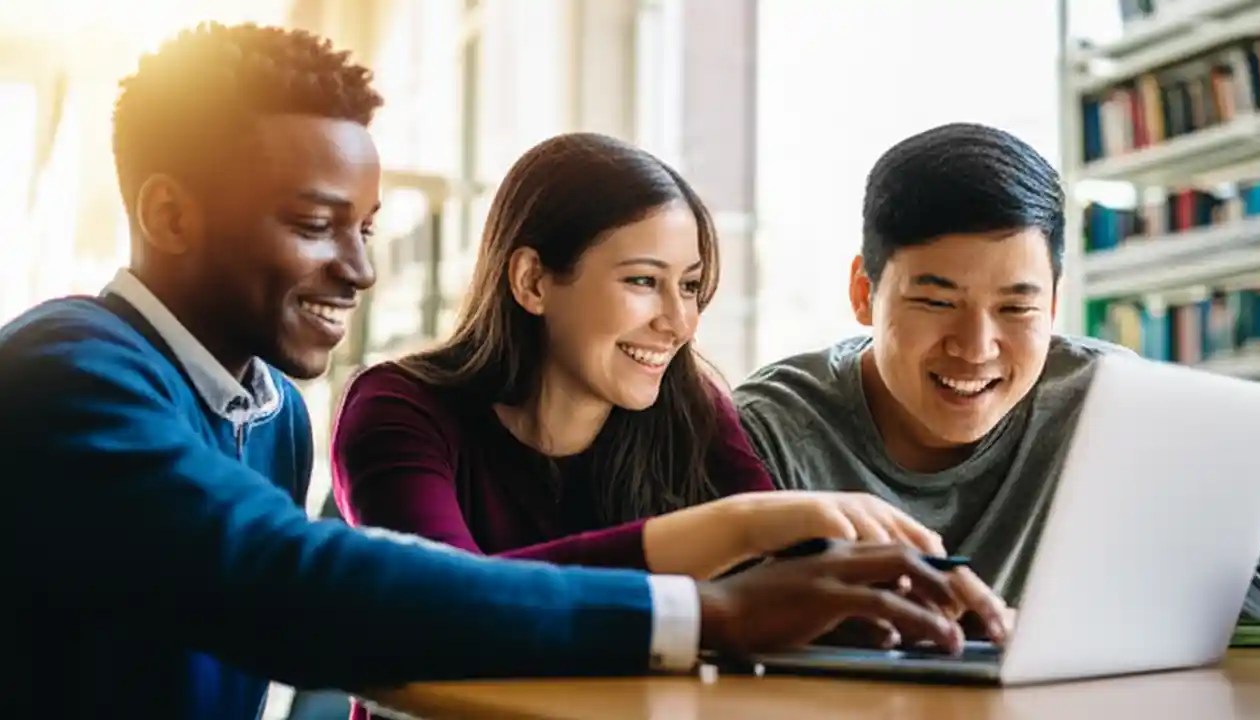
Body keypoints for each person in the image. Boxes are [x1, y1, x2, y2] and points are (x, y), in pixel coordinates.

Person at [2, 23, 974, 720]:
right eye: (314, 225)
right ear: (170, 216)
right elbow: (288, 584)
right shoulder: (67, 372)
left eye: (365, 228)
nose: (360, 269)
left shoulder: (269, 411)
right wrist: (708, 608)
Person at [330, 132, 960, 581]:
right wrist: (738, 527)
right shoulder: (398, 409)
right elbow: (447, 604)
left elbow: (791, 583)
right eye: (642, 281)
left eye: (689, 286)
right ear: (532, 281)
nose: (678, 323)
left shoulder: (691, 410)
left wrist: (915, 595)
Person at [732, 122, 1260, 620]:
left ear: (1054, 305)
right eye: (937, 302)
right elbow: (712, 614)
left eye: (1016, 308)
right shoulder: (772, 429)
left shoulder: (1110, 406)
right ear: (863, 292)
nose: (975, 348)